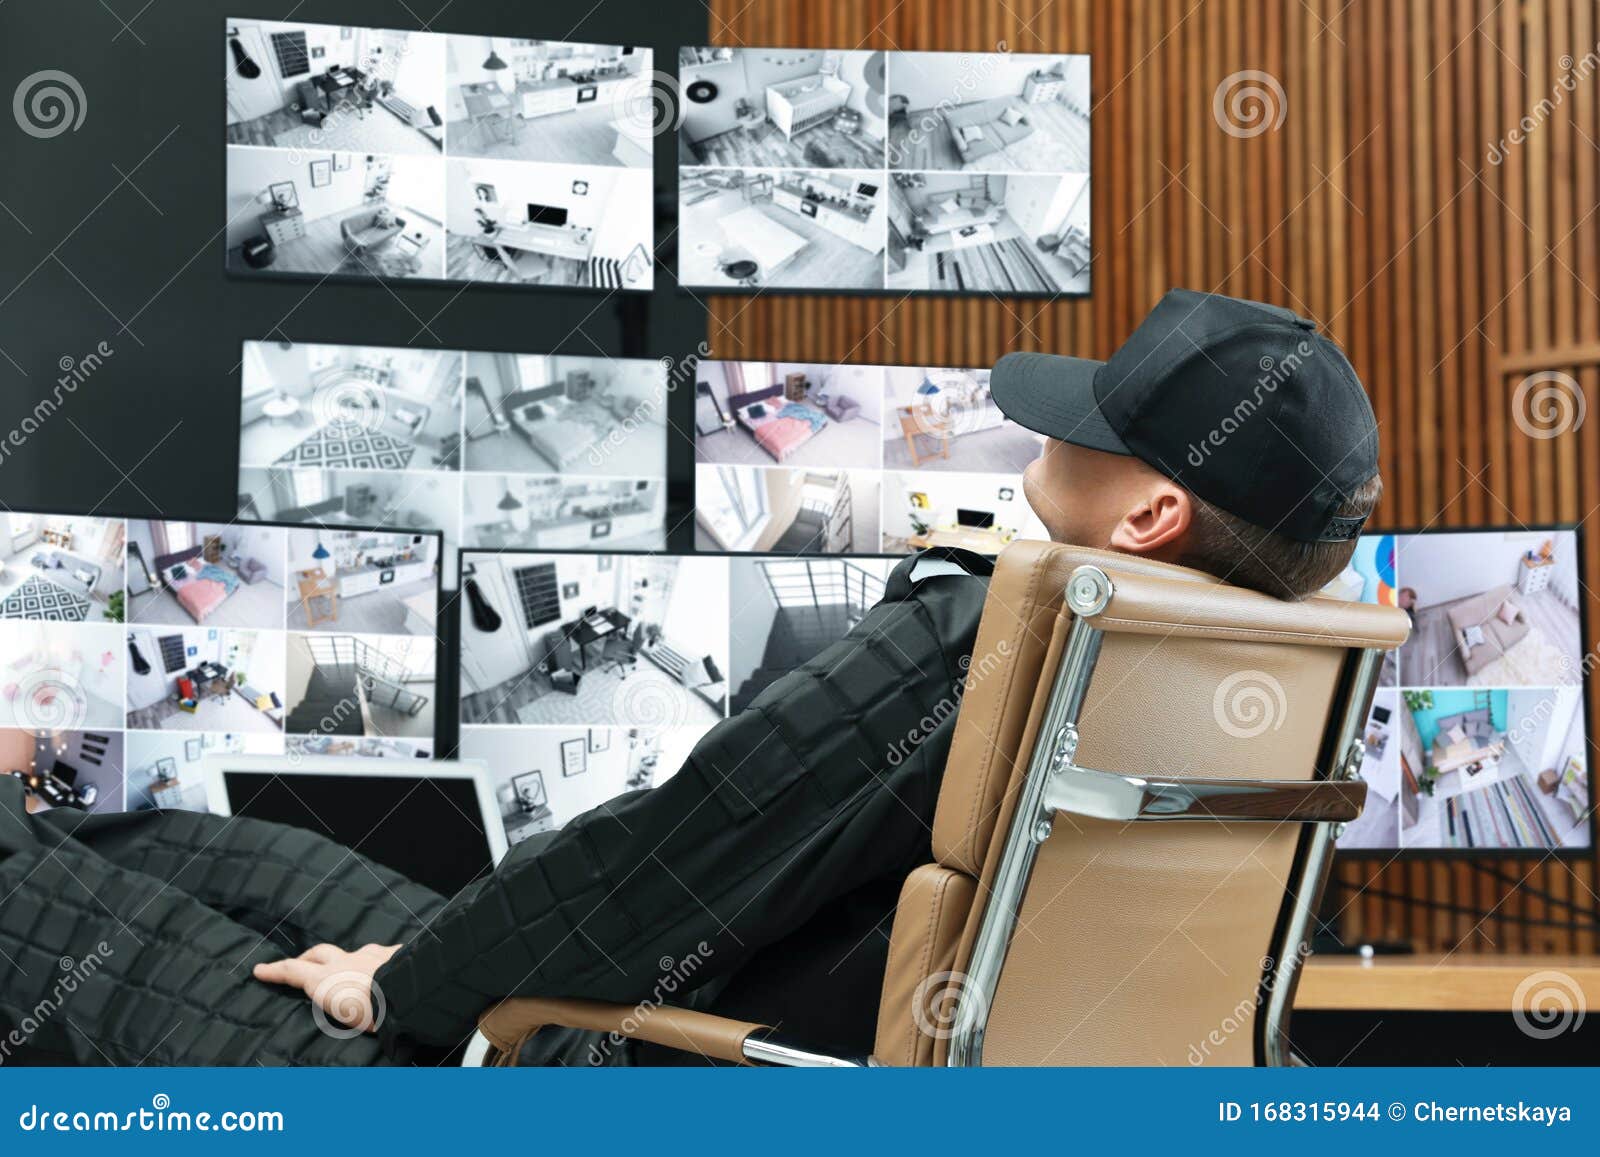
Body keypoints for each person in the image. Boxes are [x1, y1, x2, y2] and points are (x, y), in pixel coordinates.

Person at [0, 290, 1382, 1065]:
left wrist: (406, 984)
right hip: (704, 1028)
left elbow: (658, 870)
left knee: (41, 896)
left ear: (1149, 517)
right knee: (188, 845)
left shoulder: (985, 643)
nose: (1054, 425)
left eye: (1096, 425)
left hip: (604, 1065)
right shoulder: (1238, 679)